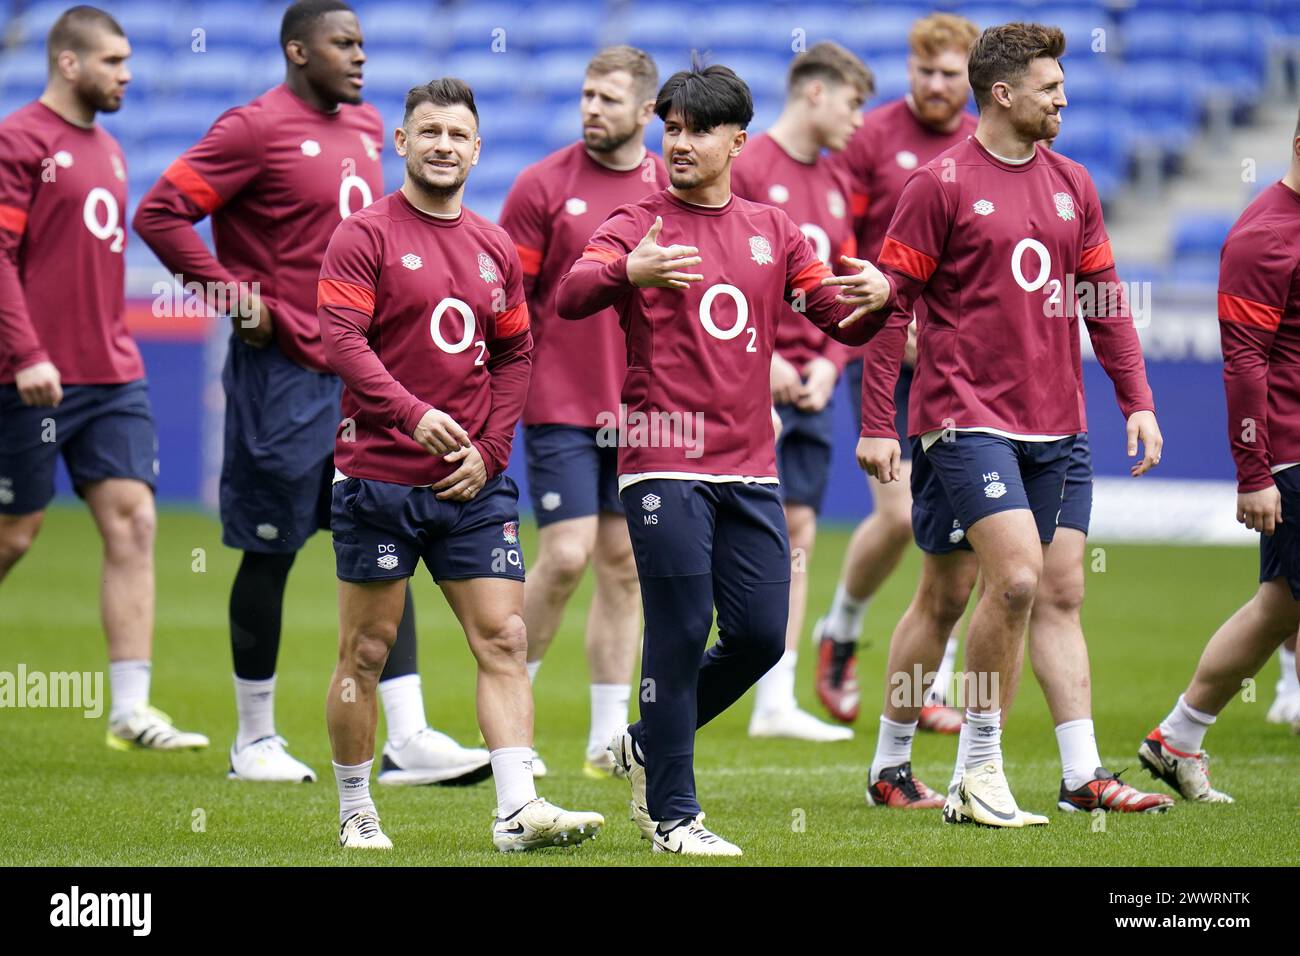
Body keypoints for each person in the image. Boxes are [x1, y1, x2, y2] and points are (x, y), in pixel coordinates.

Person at [134, 0, 487, 784]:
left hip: (364, 379)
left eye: (363, 42)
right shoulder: (251, 128)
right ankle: (253, 739)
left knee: (386, 543)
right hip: (285, 375)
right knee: (272, 548)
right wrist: (234, 299)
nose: (360, 56)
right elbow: (159, 213)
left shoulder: (367, 129)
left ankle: (409, 737)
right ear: (298, 49)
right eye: (343, 43)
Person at [556, 61, 889, 855]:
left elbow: (838, 322)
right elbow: (569, 294)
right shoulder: (638, 223)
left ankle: (646, 739)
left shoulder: (773, 231)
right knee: (679, 627)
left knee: (762, 636)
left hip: (748, 466)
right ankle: (672, 813)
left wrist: (879, 299)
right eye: (670, 128)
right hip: (662, 460)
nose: (679, 142)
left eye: (698, 129)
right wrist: (625, 271)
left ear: (737, 140)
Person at [850, 23, 1163, 826]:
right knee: (1016, 578)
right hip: (963, 419)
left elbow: (1103, 300)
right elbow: (892, 311)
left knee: (1003, 592)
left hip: (1057, 424)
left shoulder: (1074, 184)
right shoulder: (940, 183)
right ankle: (977, 771)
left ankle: (1073, 772)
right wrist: (880, 422)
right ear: (1003, 93)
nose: (1063, 97)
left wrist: (1138, 400)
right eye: (1050, 86)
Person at [318, 78, 604, 850]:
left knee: (505, 637)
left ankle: (517, 810)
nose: (443, 144)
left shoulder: (492, 246)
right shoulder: (364, 235)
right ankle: (355, 806)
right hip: (379, 476)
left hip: (474, 485)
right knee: (367, 651)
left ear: (477, 150)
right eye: (429, 132)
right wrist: (413, 413)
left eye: (458, 135)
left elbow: (516, 351)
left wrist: (490, 451)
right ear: (402, 143)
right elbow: (341, 343)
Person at [0, 5, 207, 751]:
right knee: (15, 536)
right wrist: (25, 351)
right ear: (68, 62)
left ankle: (130, 710)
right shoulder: (17, 141)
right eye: (113, 61)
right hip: (32, 375)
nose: (126, 74)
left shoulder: (111, 149)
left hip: (113, 371)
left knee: (135, 521)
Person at [498, 46, 666, 777]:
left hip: (640, 408)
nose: (592, 107)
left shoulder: (673, 183)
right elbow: (505, 302)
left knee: (624, 564)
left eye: (608, 97)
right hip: (561, 400)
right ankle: (510, 717)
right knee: (565, 556)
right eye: (586, 93)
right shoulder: (542, 185)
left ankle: (606, 741)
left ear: (648, 112)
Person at [813, 12, 979, 732]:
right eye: (926, 72)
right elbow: (838, 239)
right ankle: (841, 631)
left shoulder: (984, 142)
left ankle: (931, 680)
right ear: (909, 70)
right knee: (898, 513)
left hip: (959, 367)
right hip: (881, 350)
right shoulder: (871, 137)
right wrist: (889, 317)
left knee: (960, 531)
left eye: (951, 73)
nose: (937, 85)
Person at [1139, 113, 1300, 801]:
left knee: (1280, 606)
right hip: (1292, 451)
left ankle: (1177, 736)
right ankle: (1178, 733)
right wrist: (1254, 470)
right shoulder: (1265, 236)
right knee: (1279, 606)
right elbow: (1243, 363)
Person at [730, 40, 872, 743]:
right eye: (852, 102)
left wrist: (826, 360)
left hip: (810, 385)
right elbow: (722, 278)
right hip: (739, 380)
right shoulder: (748, 166)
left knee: (801, 534)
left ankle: (775, 701)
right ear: (815, 92)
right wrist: (761, 366)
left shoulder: (839, 182)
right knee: (720, 536)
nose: (858, 119)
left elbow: (834, 289)